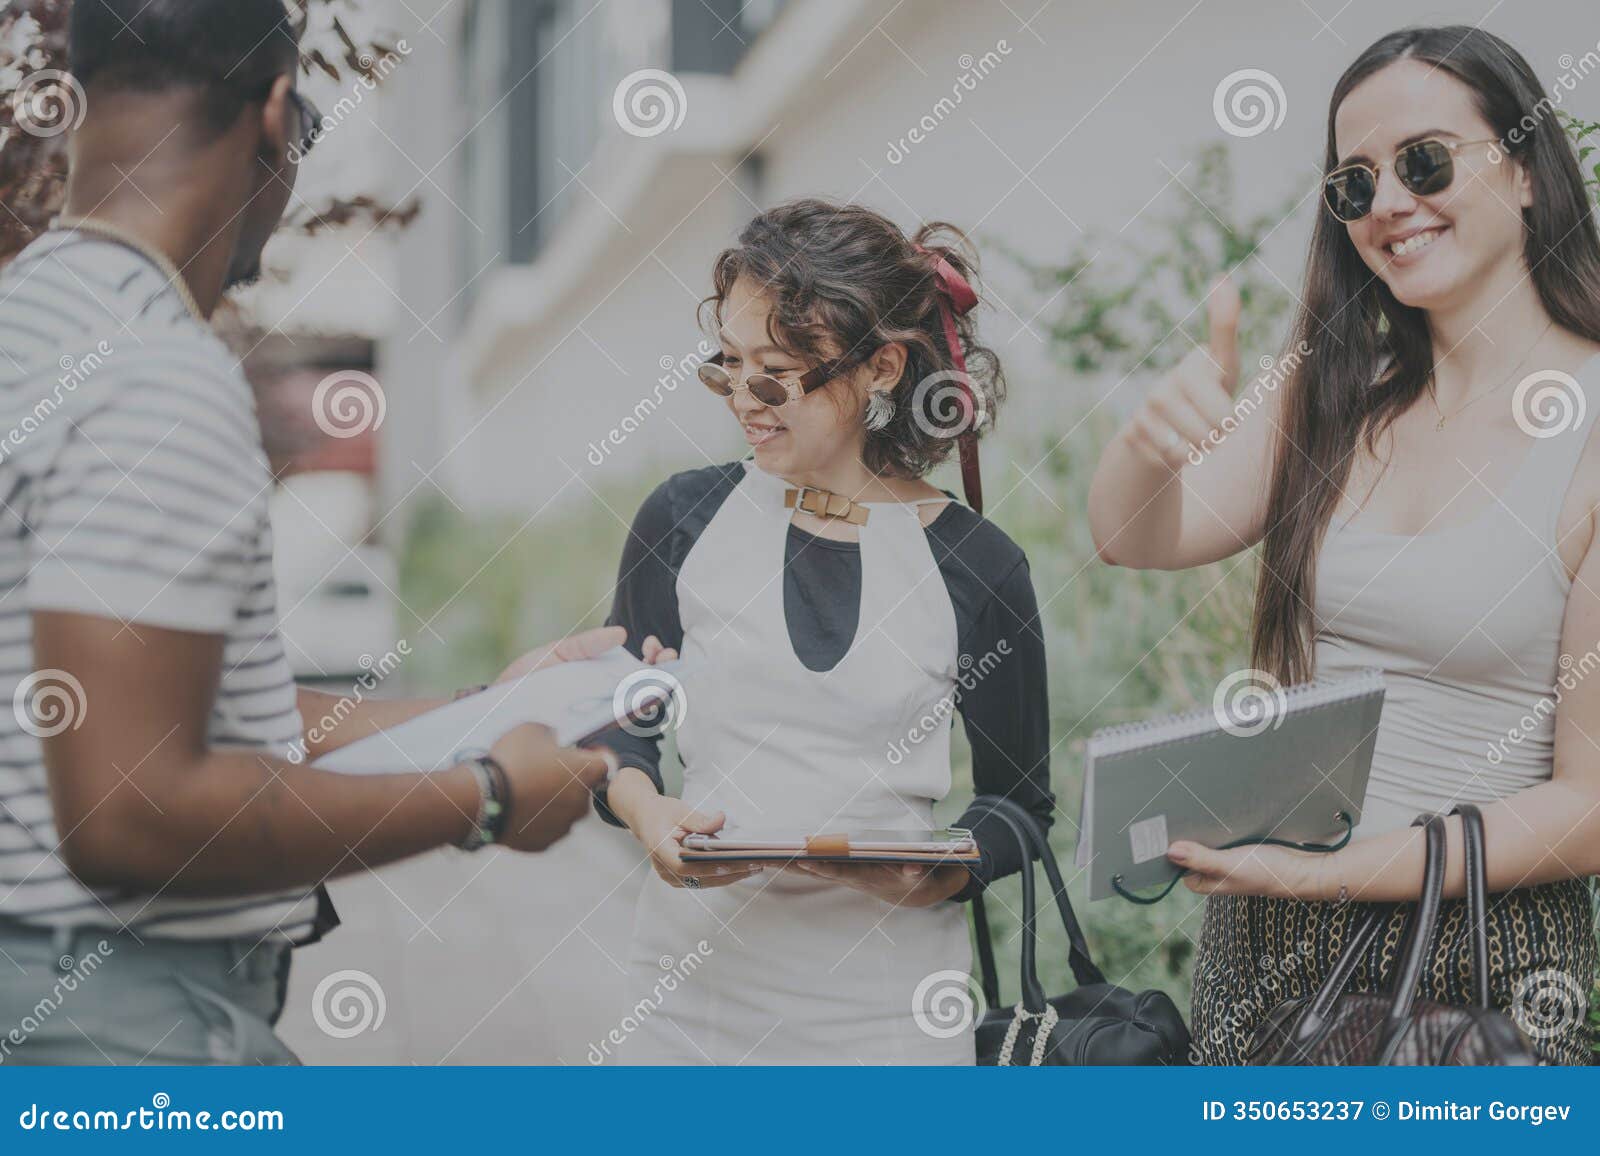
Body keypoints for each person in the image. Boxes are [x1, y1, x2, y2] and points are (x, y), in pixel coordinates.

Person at [0, 0, 620, 1066]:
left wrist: (491, 713)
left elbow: (159, 706)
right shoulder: (157, 379)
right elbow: (132, 808)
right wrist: (489, 796)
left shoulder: (29, 321)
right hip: (119, 1028)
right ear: (276, 114)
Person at [1088, 25, 1600, 1064]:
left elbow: (1590, 808)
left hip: (1485, 956)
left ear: (1528, 171)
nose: (1388, 206)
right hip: (1267, 937)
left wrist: (1320, 872)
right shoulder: (1331, 396)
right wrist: (1147, 445)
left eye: (1423, 161)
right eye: (1352, 184)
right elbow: (1138, 536)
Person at [593, 200, 1054, 1064]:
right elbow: (620, 722)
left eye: (776, 373)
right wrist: (645, 809)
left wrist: (937, 873)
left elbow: (1019, 808)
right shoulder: (682, 518)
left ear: (881, 367)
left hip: (890, 1021)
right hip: (685, 1007)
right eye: (727, 366)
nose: (743, 399)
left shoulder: (980, 566)